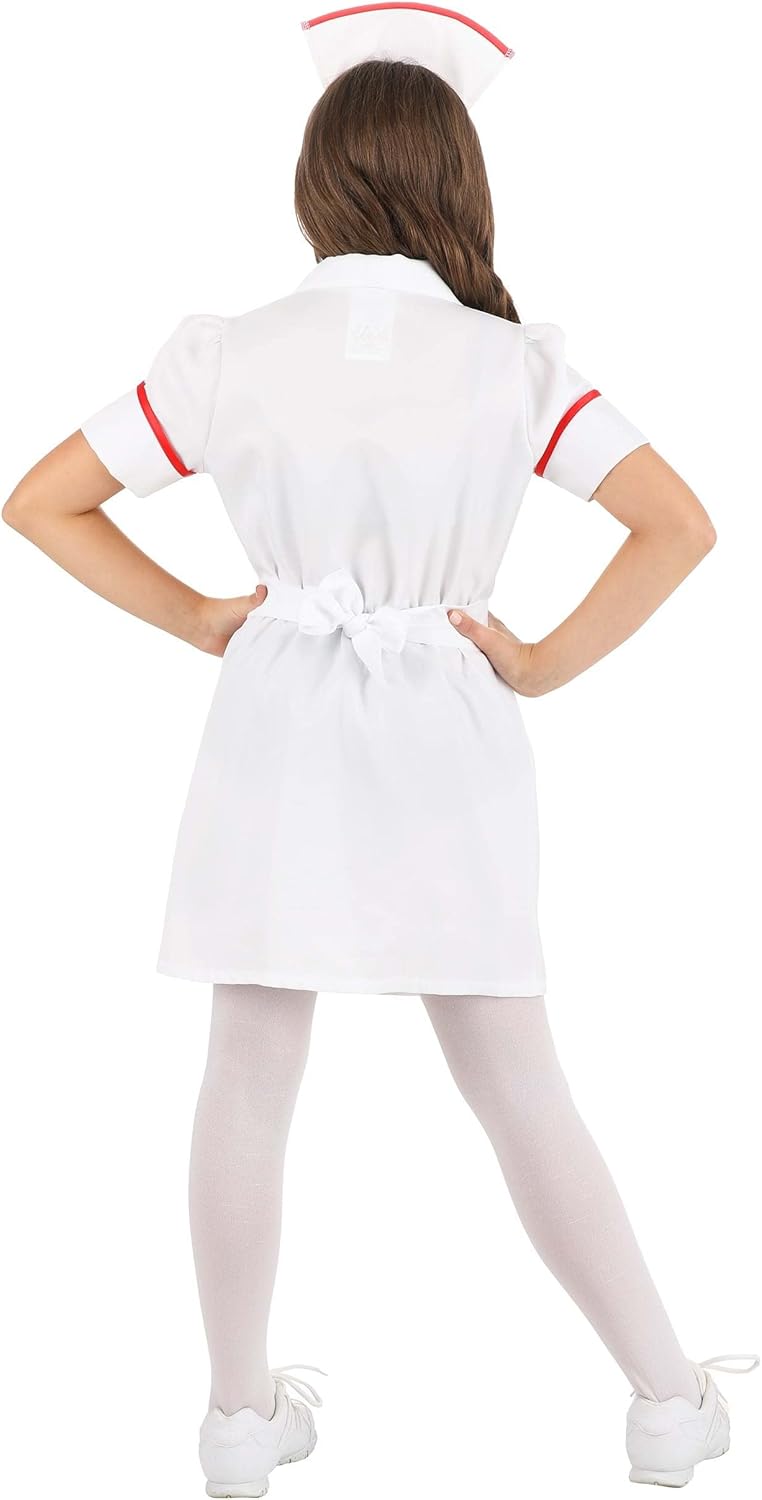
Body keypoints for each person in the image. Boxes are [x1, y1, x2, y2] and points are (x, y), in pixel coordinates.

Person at [3, 6, 758, 1495]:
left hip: (272, 726)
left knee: (247, 1069)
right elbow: (679, 525)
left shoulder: (228, 354)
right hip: (445, 739)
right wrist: (538, 661)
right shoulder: (510, 366)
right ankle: (667, 1402)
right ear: (457, 178)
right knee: (516, 1076)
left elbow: (40, 499)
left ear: (318, 178)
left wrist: (203, 615)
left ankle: (236, 1424)